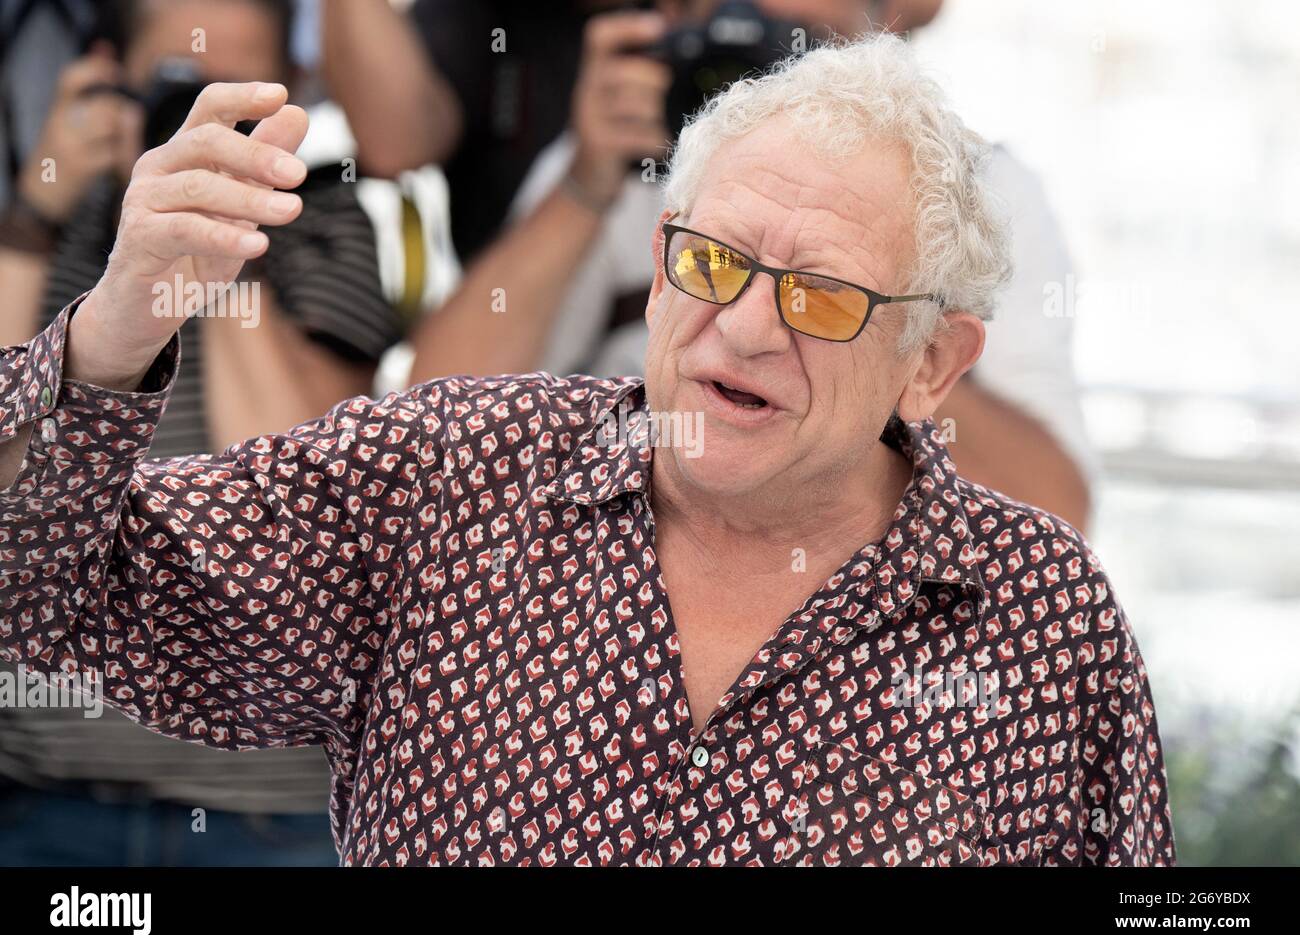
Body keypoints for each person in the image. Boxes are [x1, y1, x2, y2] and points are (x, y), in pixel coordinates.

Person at [0, 33, 1175, 865]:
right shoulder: (448, 474)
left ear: (931, 361)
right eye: (714, 263)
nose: (748, 325)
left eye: (821, 295)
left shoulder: (1039, 616)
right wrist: (113, 330)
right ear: (663, 257)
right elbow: (35, 596)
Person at [405, 0, 1095, 529]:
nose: (745, 329)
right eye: (710, 262)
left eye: (810, 50)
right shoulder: (620, 166)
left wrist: (890, 323)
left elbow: (1051, 509)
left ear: (889, 29)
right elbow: (429, 426)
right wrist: (586, 183)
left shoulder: (982, 194)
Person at [0, 0, 405, 866]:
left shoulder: (327, 218)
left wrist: (223, 250)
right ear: (113, 78)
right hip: (42, 791)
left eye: (244, 102)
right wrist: (39, 212)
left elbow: (300, 498)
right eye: (185, 91)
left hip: (267, 809)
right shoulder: (59, 214)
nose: (209, 124)